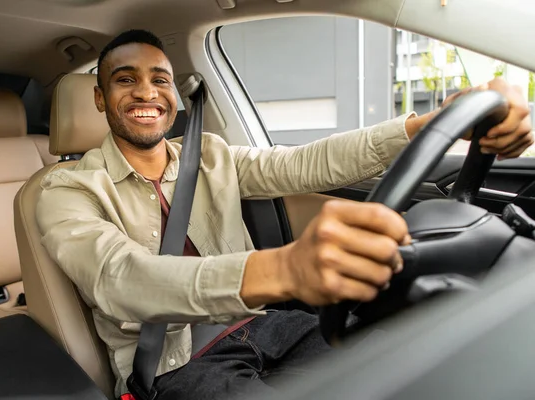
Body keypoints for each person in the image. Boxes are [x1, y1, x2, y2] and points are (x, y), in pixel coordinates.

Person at [36, 29, 533, 400]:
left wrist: (430, 124)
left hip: (262, 322)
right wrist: (286, 269)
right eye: (125, 80)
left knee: (404, 363)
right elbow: (119, 278)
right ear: (100, 98)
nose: (146, 93)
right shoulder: (64, 189)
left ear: (173, 96)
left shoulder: (208, 155)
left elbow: (306, 162)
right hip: (172, 361)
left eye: (159, 80)